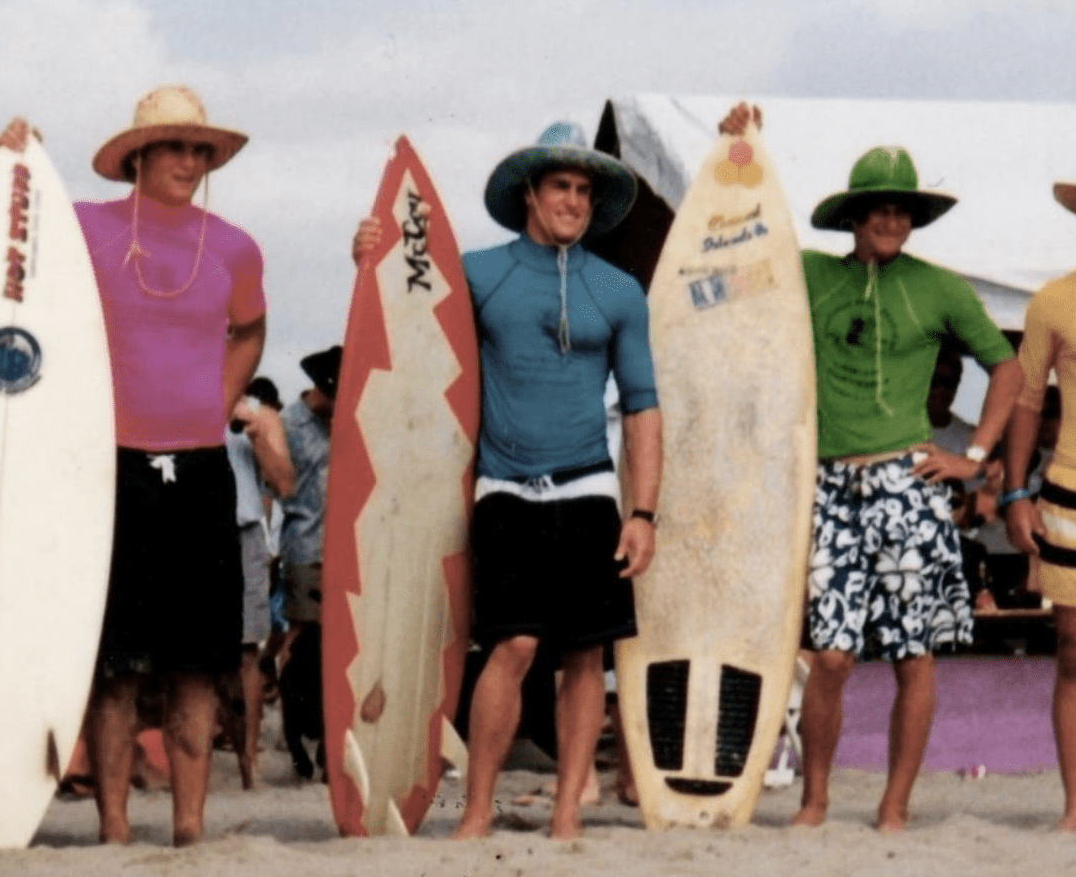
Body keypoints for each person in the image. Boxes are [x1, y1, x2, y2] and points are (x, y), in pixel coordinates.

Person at [354, 122, 662, 839]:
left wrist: (642, 510)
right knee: (515, 644)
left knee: (586, 654)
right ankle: (477, 809)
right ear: (530, 192)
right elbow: (406, 321)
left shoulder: (618, 291)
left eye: (585, 190)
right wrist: (369, 260)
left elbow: (643, 406)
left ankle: (564, 816)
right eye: (561, 185)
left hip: (587, 488)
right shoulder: (480, 273)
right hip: (504, 488)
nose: (574, 201)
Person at [721, 104, 1021, 832]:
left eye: (902, 209)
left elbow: (1007, 369)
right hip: (827, 485)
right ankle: (815, 800)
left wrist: (972, 457)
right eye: (877, 208)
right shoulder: (809, 273)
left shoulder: (941, 286)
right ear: (854, 216)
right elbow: (737, 244)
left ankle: (893, 808)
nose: (890, 220)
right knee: (828, 655)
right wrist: (736, 154)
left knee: (914, 655)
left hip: (906, 481)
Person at [0, 84, 265, 847]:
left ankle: (188, 828)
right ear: (137, 156)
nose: (191, 160)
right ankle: (113, 827)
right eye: (175, 146)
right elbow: (8, 229)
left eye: (200, 149)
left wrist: (214, 402)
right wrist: (12, 157)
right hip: (108, 466)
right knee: (114, 661)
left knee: (195, 664)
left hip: (202, 468)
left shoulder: (236, 245)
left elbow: (249, 329)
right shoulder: (86, 226)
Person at [1003, 178, 1076, 829]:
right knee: (1075, 649)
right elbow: (1026, 399)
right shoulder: (1054, 300)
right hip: (1067, 494)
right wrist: (1014, 491)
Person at [224, 375, 293, 789]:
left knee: (247, 651)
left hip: (244, 530)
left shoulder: (258, 411)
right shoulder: (178, 389)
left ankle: (249, 760)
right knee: (193, 659)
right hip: (189, 529)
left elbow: (283, 482)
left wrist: (255, 430)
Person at [276, 346, 341, 780]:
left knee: (335, 648)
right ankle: (296, 737)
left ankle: (327, 743)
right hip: (304, 546)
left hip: (341, 549)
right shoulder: (287, 425)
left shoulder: (343, 423)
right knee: (297, 645)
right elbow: (278, 486)